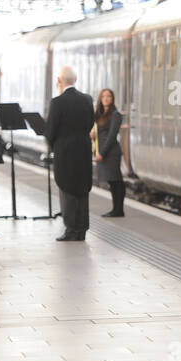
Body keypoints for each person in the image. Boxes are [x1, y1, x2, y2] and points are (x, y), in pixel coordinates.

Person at [45, 66, 95, 241]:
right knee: (82, 188)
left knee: (67, 188)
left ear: (59, 81)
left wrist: (54, 145)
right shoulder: (87, 99)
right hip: (83, 149)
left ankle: (71, 229)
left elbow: (50, 130)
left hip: (64, 151)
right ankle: (82, 229)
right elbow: (90, 123)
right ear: (76, 80)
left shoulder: (57, 102)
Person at [92, 88, 125, 218]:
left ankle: (118, 210)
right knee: (112, 182)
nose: (106, 98)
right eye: (104, 96)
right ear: (100, 99)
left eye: (109, 96)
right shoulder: (99, 114)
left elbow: (112, 136)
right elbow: (99, 131)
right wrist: (93, 134)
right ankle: (116, 209)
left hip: (111, 153)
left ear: (112, 99)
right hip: (103, 151)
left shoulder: (115, 114)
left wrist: (102, 153)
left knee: (116, 181)